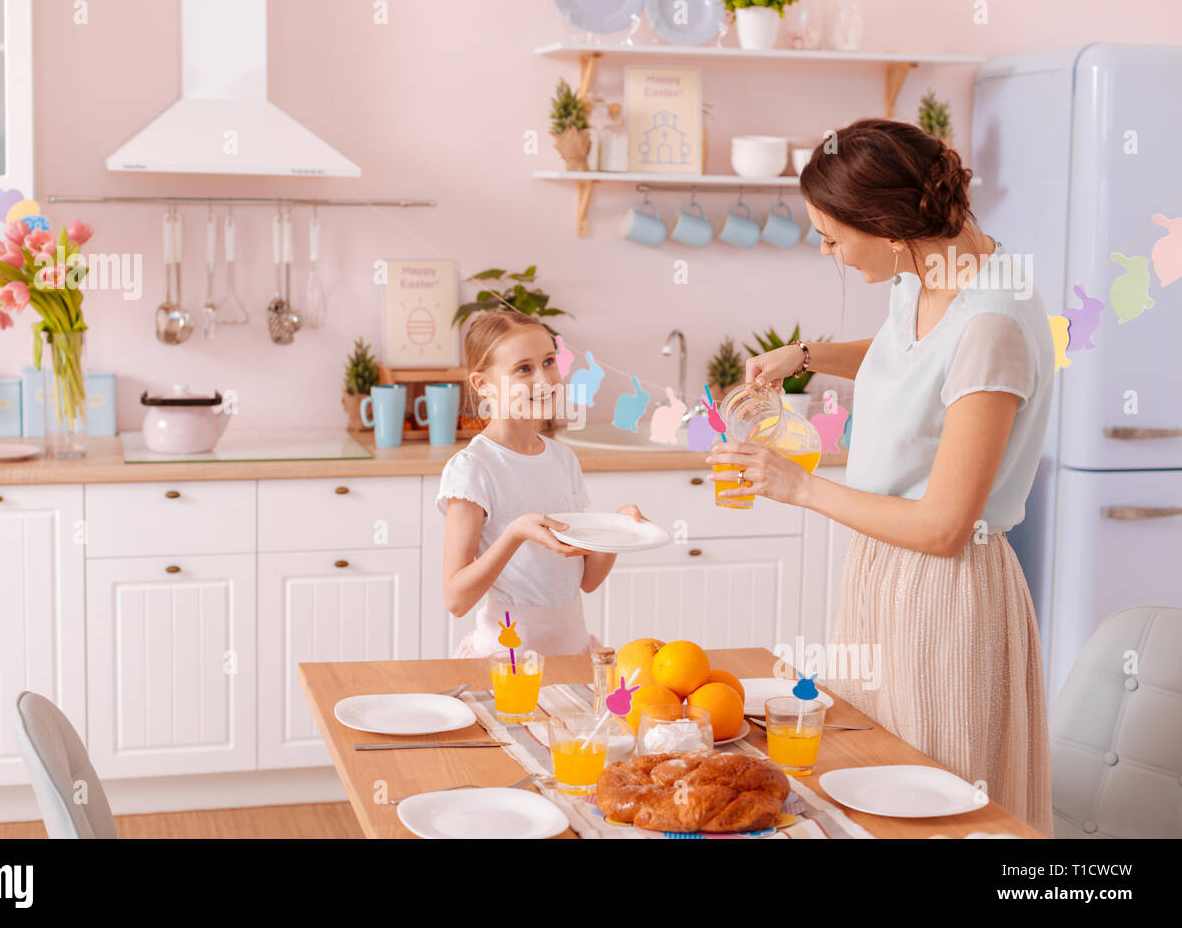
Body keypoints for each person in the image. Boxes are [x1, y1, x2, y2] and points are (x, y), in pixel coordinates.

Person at [708, 118, 1055, 835]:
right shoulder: (930, 273)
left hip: (946, 598)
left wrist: (798, 486)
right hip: (883, 574)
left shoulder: (993, 325)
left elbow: (942, 528)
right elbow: (915, 348)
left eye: (832, 238)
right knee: (871, 784)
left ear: (891, 226)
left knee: (931, 809)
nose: (827, 251)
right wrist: (804, 354)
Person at [438, 311, 646, 658]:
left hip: (573, 654)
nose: (546, 379)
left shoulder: (562, 459)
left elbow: (586, 581)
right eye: (524, 369)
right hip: (506, 664)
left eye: (549, 361)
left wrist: (618, 529)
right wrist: (515, 534)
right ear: (482, 385)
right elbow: (456, 600)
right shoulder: (473, 468)